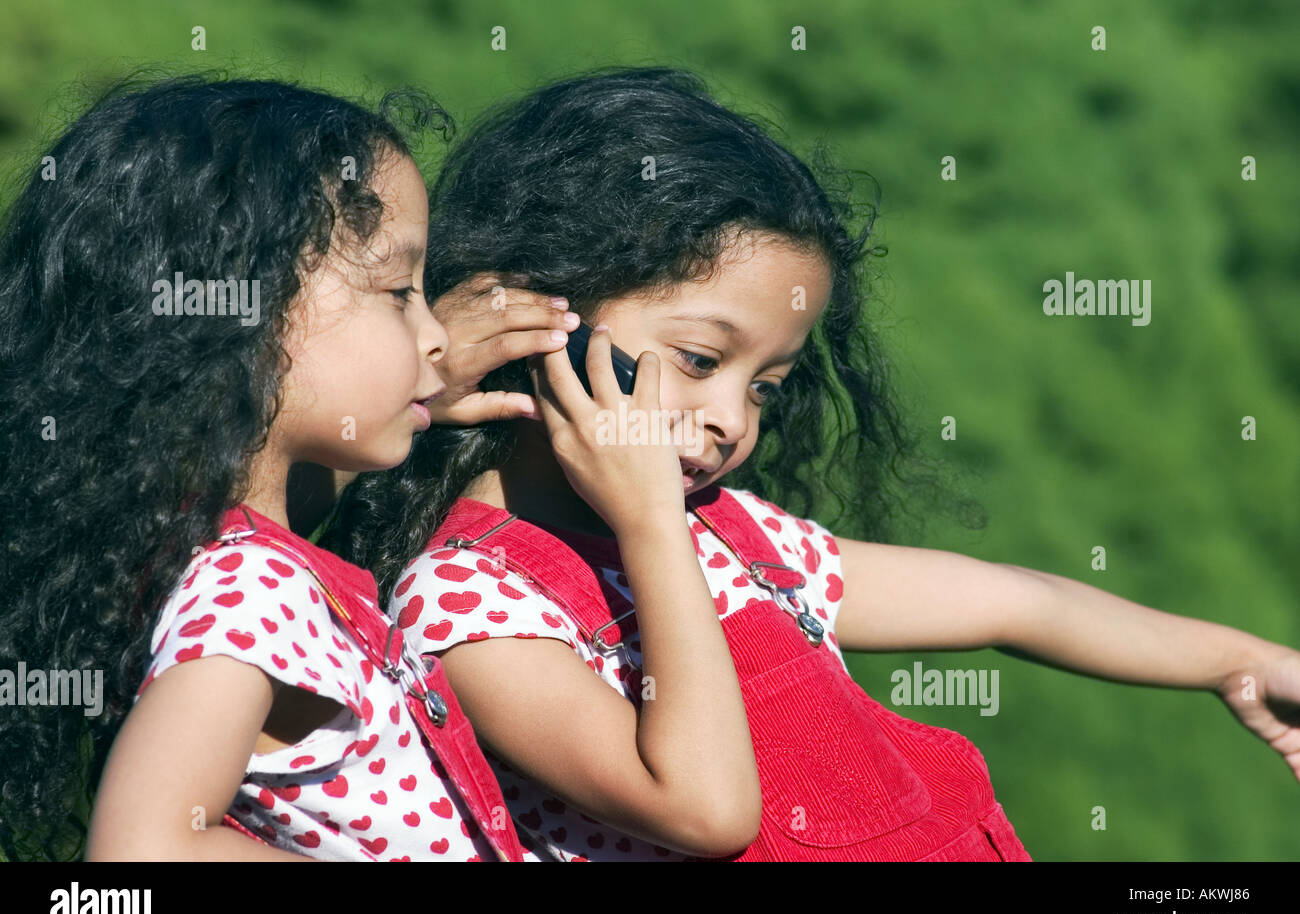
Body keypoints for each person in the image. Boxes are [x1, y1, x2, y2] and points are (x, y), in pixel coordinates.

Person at [322, 68, 1300, 861]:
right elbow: (704, 812)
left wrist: (1243, 663)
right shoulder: (472, 602)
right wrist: (652, 527)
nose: (731, 420)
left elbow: (1015, 603)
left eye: (766, 385)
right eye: (703, 359)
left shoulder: (744, 544)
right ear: (533, 318)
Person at [0, 75, 566, 862]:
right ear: (247, 312)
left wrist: (417, 393)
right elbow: (142, 852)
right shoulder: (251, 589)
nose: (435, 334)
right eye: (400, 291)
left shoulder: (243, 561)